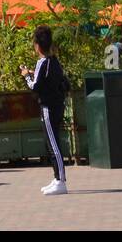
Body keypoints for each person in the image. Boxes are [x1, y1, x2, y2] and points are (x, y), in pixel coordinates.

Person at [22, 24, 70, 196]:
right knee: (52, 142)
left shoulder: (43, 62)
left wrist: (26, 75)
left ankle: (61, 181)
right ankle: (57, 178)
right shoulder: (54, 61)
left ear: (37, 45)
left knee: (53, 144)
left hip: (48, 107)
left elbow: (35, 86)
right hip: (57, 104)